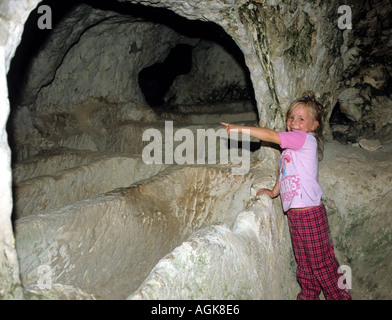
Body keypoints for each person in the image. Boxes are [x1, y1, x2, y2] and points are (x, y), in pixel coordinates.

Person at [220, 91, 352, 300]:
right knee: (304, 263)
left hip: (311, 215)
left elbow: (271, 135)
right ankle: (308, 295)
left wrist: (240, 128)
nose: (294, 122)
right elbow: (285, 173)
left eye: (301, 119)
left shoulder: (305, 140)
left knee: (323, 264)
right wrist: (274, 192)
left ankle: (340, 296)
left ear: (314, 125)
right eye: (291, 118)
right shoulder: (291, 149)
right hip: (296, 216)